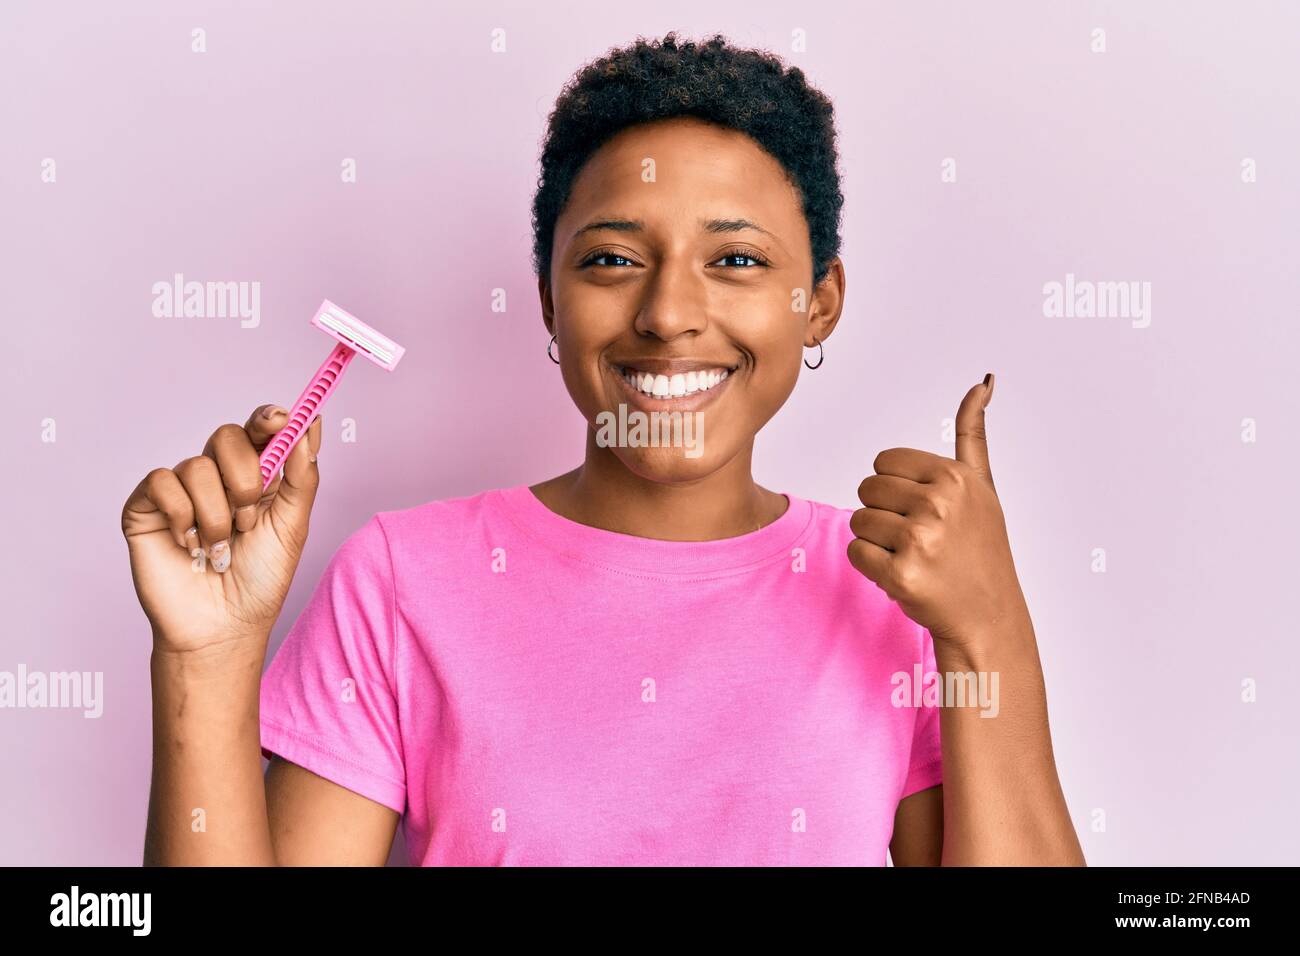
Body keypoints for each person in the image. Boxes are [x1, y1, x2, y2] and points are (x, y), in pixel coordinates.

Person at [124, 32, 1084, 866]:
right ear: (548, 295)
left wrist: (988, 630)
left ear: (820, 301)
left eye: (738, 260)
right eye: (613, 260)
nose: (668, 314)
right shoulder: (401, 581)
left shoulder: (898, 596)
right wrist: (206, 662)